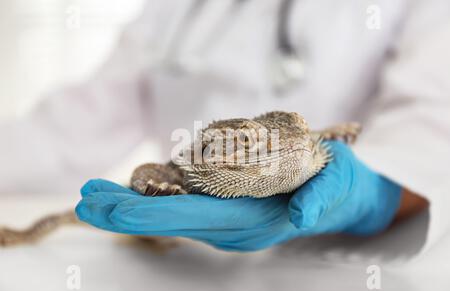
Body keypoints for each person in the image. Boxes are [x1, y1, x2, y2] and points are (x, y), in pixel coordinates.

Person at [1, 0, 449, 252]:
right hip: (181, 263)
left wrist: (368, 193)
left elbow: (430, 132)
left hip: (344, 261)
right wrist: (157, 189)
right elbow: (65, 130)